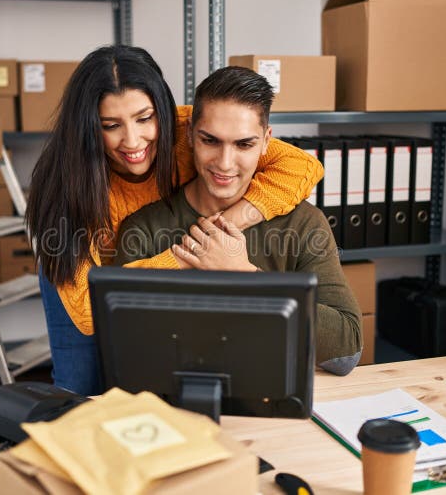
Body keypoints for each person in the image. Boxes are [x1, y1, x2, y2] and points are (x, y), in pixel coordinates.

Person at [26, 46, 323, 394]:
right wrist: (192, 253)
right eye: (111, 125)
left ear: (162, 111)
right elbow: (88, 309)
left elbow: (302, 166)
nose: (133, 141)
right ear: (89, 128)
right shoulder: (67, 185)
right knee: (79, 387)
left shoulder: (190, 130)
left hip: (151, 253)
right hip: (80, 275)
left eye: (144, 118)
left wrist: (223, 226)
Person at [114, 66, 362, 375]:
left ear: (266, 142)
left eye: (244, 144)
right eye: (210, 141)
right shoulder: (143, 229)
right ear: (190, 134)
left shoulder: (303, 224)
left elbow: (346, 352)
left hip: (271, 401)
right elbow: (125, 351)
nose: (225, 163)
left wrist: (245, 274)